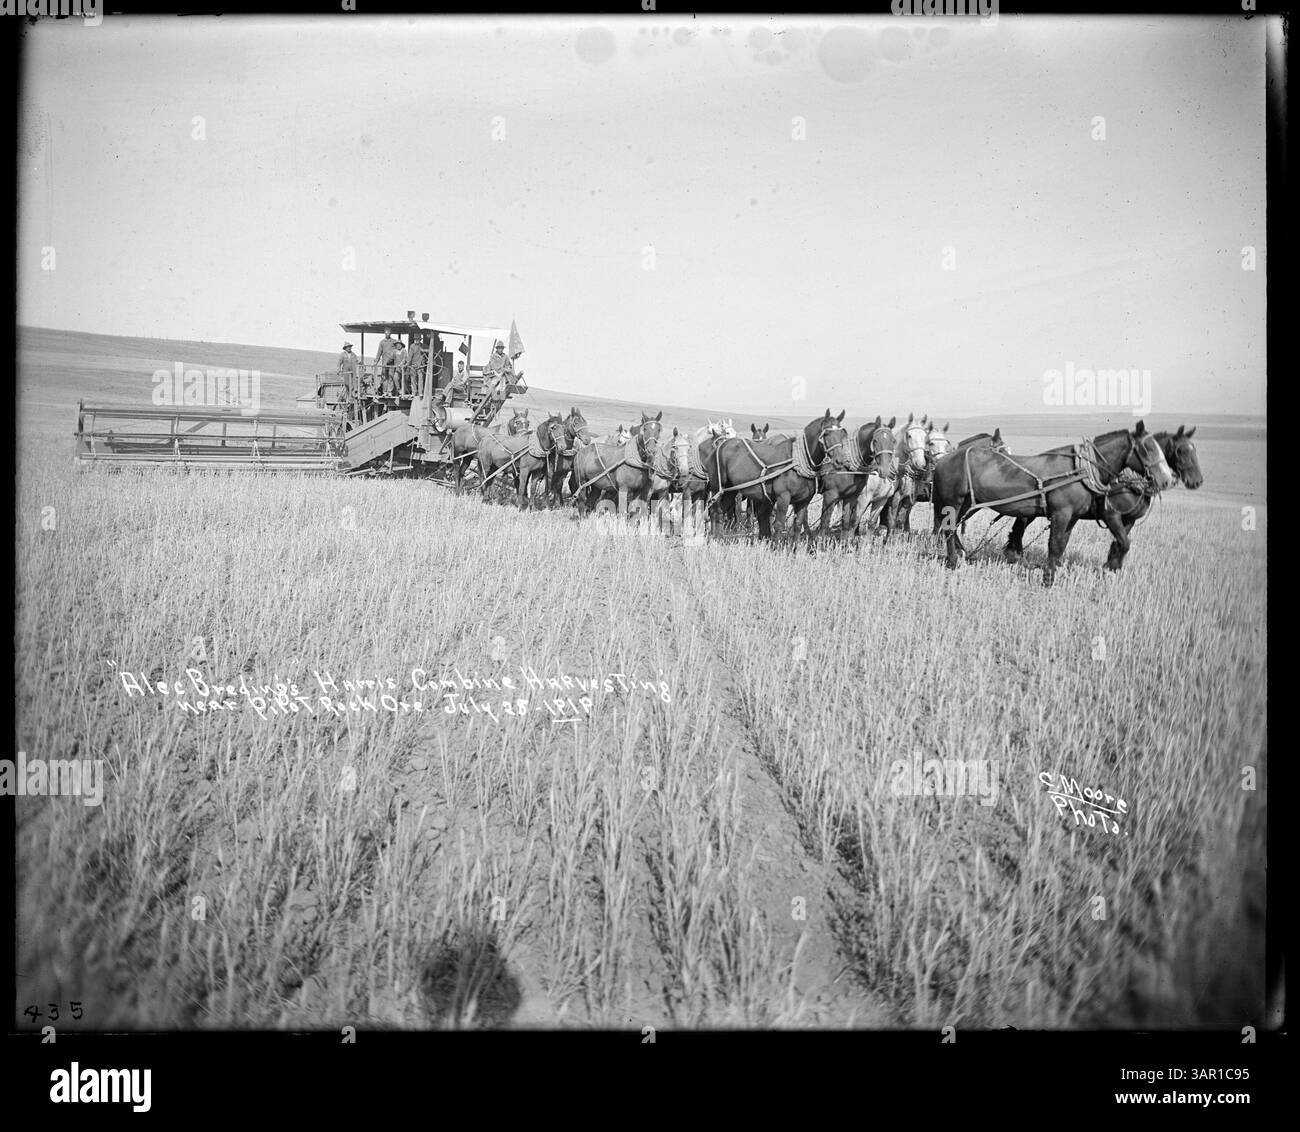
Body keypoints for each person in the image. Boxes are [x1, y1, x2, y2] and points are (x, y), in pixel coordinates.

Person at [336, 341, 360, 419]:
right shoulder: (342, 355)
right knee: (347, 383)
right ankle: (349, 395)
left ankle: (352, 395)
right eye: (348, 347)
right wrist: (338, 370)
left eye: (350, 347)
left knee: (353, 383)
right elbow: (339, 363)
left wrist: (359, 364)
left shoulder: (353, 355)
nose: (349, 348)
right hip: (346, 372)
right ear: (345, 348)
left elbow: (357, 362)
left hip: (353, 372)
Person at [375, 329, 398, 395]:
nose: (387, 334)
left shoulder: (394, 341)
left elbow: (396, 351)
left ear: (391, 333)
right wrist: (376, 361)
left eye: (389, 333)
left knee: (391, 376)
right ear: (384, 333)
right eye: (386, 333)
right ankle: (385, 391)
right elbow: (379, 352)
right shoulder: (382, 342)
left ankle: (390, 391)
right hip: (384, 363)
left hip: (391, 363)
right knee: (384, 377)